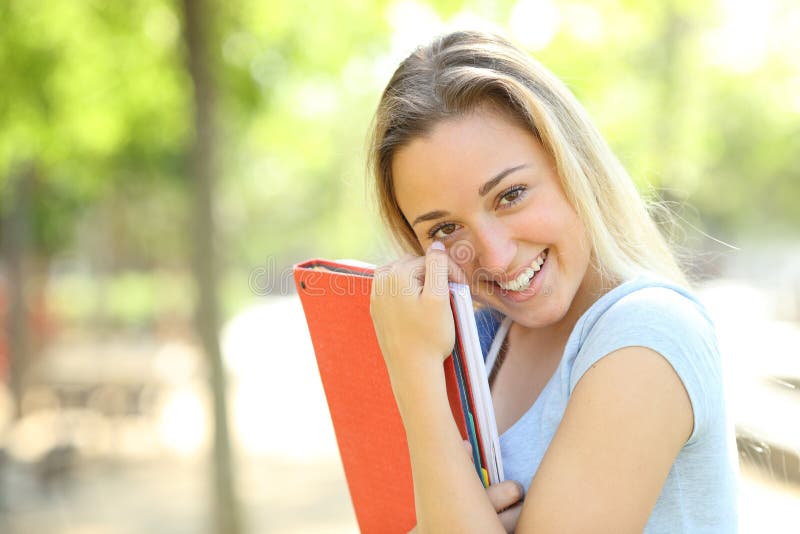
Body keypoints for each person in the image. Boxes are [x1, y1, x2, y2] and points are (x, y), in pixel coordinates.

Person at [368, 30, 738, 533]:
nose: (495, 257)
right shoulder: (483, 341)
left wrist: (412, 372)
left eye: (511, 194)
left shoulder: (648, 335)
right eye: (445, 229)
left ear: (572, 163)